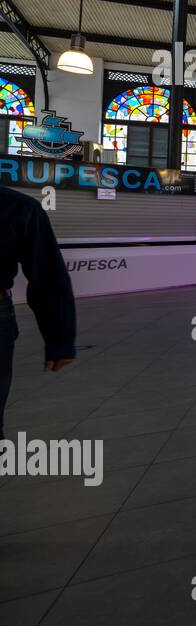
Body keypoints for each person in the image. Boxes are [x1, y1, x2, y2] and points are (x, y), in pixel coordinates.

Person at [1, 186, 76, 439]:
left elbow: (48, 279)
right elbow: (48, 278)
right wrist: (60, 342)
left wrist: (60, 340)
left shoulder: (21, 208)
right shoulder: (18, 206)